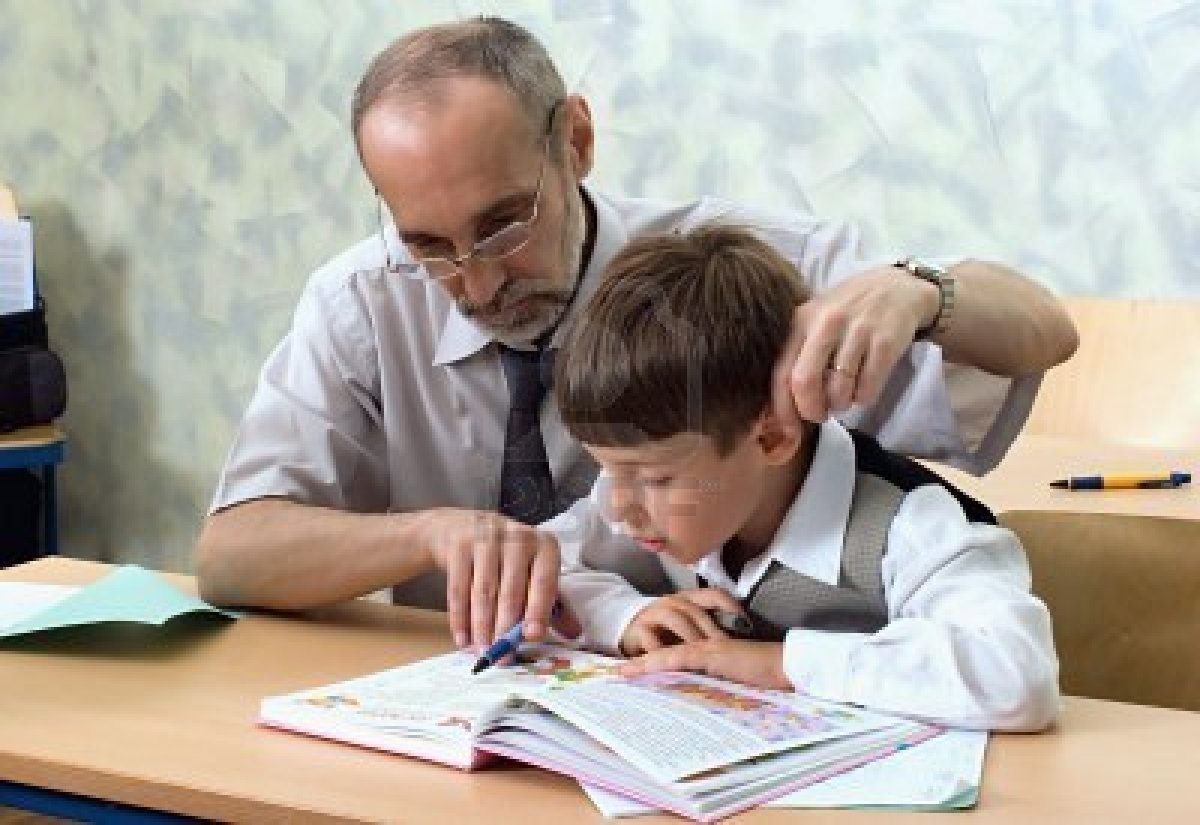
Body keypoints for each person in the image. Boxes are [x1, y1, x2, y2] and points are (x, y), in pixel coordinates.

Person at [195, 17, 1077, 654]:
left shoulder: (740, 276)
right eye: (427, 245)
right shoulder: (359, 299)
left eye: (504, 224)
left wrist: (920, 291)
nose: (477, 281)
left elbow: (1049, 331)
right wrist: (435, 536)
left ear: (575, 141)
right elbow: (232, 557)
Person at [549, 224, 1060, 731]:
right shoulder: (650, 490)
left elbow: (1017, 673)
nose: (617, 506)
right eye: (604, 466)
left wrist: (777, 665)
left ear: (771, 440)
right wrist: (622, 617)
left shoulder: (910, 525)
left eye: (653, 478)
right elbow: (541, 566)